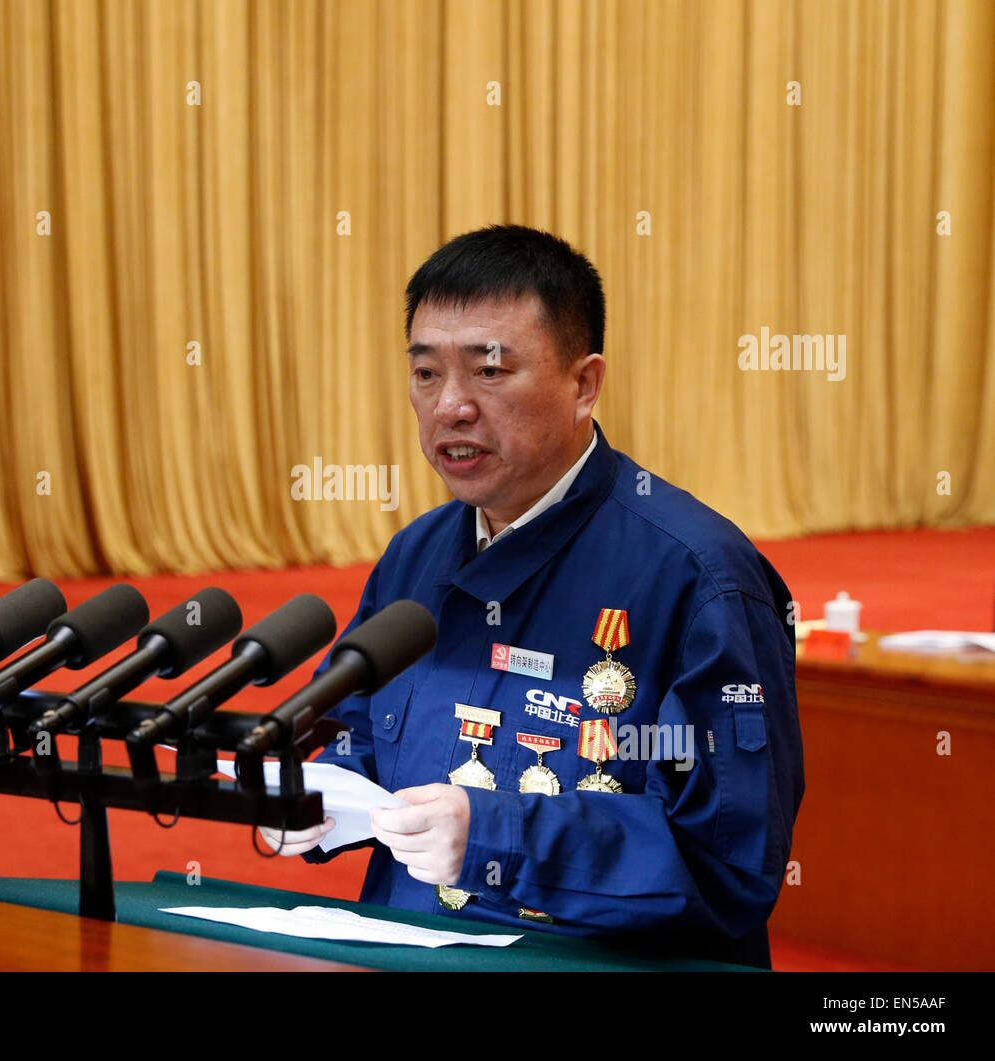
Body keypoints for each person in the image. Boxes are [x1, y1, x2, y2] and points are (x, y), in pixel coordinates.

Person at [260, 225, 803, 969]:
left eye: (488, 372)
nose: (450, 407)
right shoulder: (415, 555)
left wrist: (496, 836)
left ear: (584, 384)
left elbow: (729, 862)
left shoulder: (700, 576)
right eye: (425, 374)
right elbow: (356, 732)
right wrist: (315, 794)